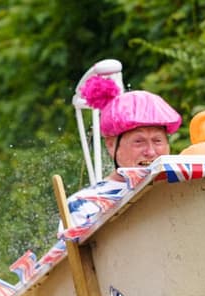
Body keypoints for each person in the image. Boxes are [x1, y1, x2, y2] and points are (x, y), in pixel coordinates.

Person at [63, 75, 181, 230]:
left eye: (157, 141)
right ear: (111, 145)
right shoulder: (83, 206)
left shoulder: (183, 188)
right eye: (139, 142)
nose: (151, 152)